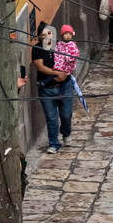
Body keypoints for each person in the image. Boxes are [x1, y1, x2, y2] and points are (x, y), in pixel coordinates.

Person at [32, 22, 74, 154]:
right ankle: (54, 143)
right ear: (39, 36)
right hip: (47, 89)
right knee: (51, 118)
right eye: (43, 35)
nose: (47, 37)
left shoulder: (60, 46)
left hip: (64, 86)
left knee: (66, 115)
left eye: (49, 34)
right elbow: (40, 66)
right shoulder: (37, 48)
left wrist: (66, 74)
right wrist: (56, 73)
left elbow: (71, 59)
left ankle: (66, 133)